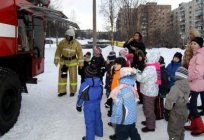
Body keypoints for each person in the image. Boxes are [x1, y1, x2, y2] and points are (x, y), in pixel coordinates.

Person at [110, 67, 141, 140]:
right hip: (131, 118)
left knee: (121, 135)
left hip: (123, 120)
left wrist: (114, 119)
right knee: (133, 132)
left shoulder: (120, 91)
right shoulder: (132, 88)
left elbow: (118, 108)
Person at [54, 28, 84, 97]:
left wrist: (81, 63)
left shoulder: (76, 43)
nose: (67, 37)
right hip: (63, 62)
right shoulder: (62, 42)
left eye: (69, 36)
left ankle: (73, 91)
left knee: (73, 77)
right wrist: (56, 60)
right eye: (66, 36)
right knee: (62, 77)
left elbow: (80, 53)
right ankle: (62, 91)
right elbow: (58, 51)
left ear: (72, 36)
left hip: (73, 62)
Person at [76, 65, 103, 140]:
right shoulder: (100, 82)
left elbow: (81, 96)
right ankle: (99, 132)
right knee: (98, 119)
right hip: (97, 104)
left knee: (90, 122)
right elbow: (101, 93)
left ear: (86, 74)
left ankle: (90, 138)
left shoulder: (84, 85)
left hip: (88, 105)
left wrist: (78, 105)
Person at [136, 49, 161, 132]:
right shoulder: (154, 66)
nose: (145, 58)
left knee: (148, 109)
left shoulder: (150, 68)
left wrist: (135, 73)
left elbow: (141, 79)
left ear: (152, 57)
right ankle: (149, 121)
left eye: (147, 56)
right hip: (151, 91)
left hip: (149, 92)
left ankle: (150, 126)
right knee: (148, 107)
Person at [184, 37, 204, 136]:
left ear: (200, 45)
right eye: (192, 43)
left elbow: (199, 71)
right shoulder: (196, 54)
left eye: (195, 43)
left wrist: (189, 78)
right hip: (194, 82)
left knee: (192, 105)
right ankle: (193, 124)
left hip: (196, 82)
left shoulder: (200, 55)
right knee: (192, 104)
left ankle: (200, 127)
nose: (192, 45)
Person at [164, 67, 190, 140]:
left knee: (173, 130)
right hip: (184, 111)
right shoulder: (187, 86)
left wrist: (167, 111)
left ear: (177, 76)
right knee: (180, 128)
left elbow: (170, 100)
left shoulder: (175, 87)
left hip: (175, 112)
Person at [104, 57, 126, 140]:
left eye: (117, 64)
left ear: (122, 65)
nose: (115, 65)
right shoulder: (115, 72)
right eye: (115, 63)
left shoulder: (123, 74)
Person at [155, 56, 170, 120]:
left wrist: (162, 90)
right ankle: (158, 113)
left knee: (159, 102)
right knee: (157, 102)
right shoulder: (159, 69)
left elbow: (164, 82)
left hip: (161, 89)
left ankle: (160, 115)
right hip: (158, 89)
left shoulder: (162, 70)